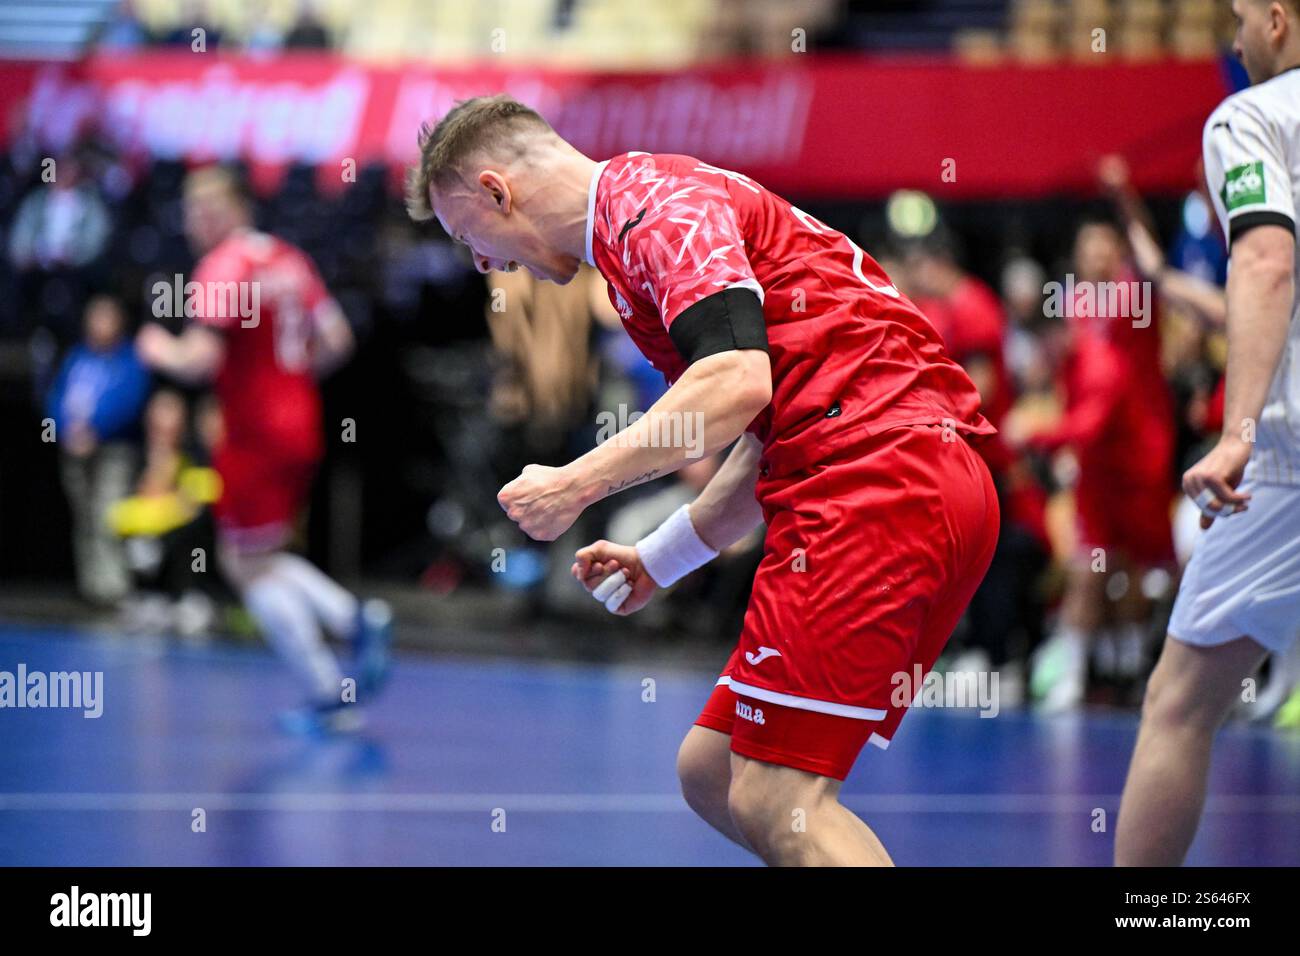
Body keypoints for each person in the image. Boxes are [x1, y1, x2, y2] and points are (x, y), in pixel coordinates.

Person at [406, 95, 1000, 865]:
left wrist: (575, 484)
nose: (483, 263)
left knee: (778, 799)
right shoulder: (632, 242)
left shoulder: (654, 208)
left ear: (496, 191)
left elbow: (734, 385)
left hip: (879, 483)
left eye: (467, 238)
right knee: (713, 772)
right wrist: (663, 556)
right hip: (902, 472)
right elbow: (768, 429)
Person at [1116, 0, 1300, 866]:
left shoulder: (1251, 116)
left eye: (1236, 20)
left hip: (1289, 460)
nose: (1231, 42)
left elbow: (1265, 259)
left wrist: (1237, 433)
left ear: (1277, 18)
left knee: (1184, 699)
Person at [136, 166, 391, 734]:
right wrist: (288, 381)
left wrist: (157, 349)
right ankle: (347, 647)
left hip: (252, 433)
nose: (192, 223)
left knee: (243, 564)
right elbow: (337, 341)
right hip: (300, 422)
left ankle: (339, 661)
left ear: (226, 211)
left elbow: (198, 360)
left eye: (200, 212)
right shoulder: (287, 257)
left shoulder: (223, 267)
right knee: (261, 555)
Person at [45, 294, 151, 605]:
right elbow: (56, 397)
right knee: (85, 519)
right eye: (94, 317)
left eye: (106, 317)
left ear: (119, 322)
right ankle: (91, 587)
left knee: (107, 516)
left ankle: (113, 588)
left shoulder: (130, 359)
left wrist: (96, 431)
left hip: (112, 451)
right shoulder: (77, 357)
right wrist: (64, 429)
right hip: (74, 450)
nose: (99, 324)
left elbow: (130, 402)